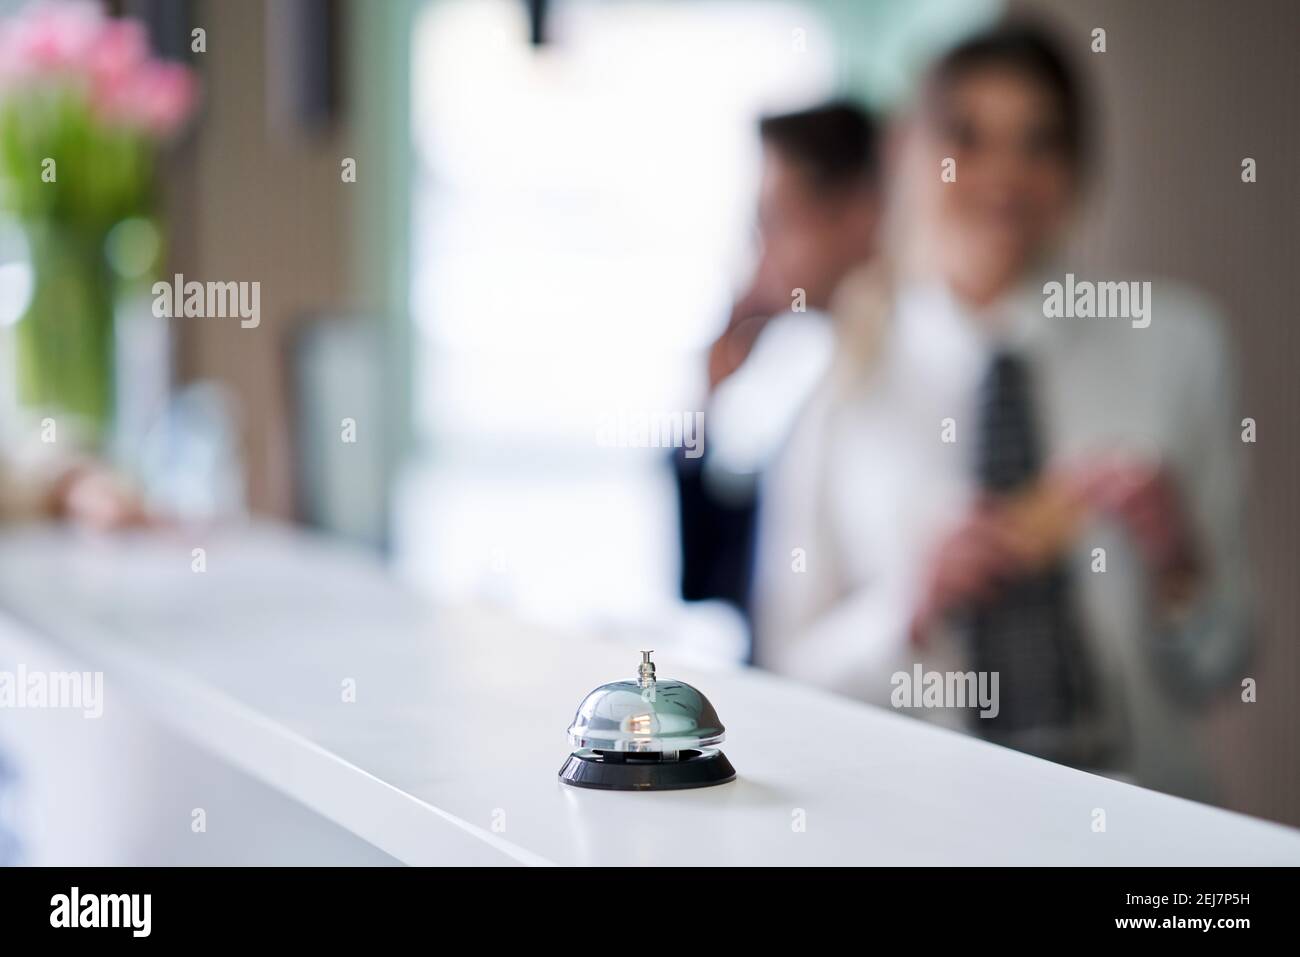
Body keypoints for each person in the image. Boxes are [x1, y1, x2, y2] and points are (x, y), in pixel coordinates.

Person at [750, 22, 1249, 798]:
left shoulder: (1178, 345)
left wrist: (1177, 564)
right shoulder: (843, 374)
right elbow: (785, 668)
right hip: (930, 829)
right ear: (909, 156)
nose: (1003, 176)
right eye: (968, 137)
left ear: (1078, 165)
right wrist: (906, 608)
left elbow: (1224, 663)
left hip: (1146, 830)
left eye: (1039, 141)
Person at [675, 101, 881, 647]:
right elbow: (712, 584)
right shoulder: (821, 371)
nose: (758, 245)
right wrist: (709, 396)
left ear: (857, 215)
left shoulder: (886, 379)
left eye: (773, 217)